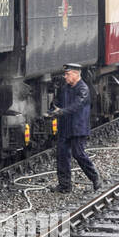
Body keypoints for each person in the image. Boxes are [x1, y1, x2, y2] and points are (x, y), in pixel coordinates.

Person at [48, 63, 101, 193]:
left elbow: (76, 106)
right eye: (65, 74)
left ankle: (95, 178)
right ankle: (65, 186)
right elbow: (57, 103)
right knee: (62, 156)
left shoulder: (83, 89)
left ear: (76, 74)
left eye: (68, 74)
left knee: (79, 154)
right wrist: (51, 111)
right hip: (65, 127)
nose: (65, 77)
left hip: (78, 128)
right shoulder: (64, 88)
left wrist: (60, 112)